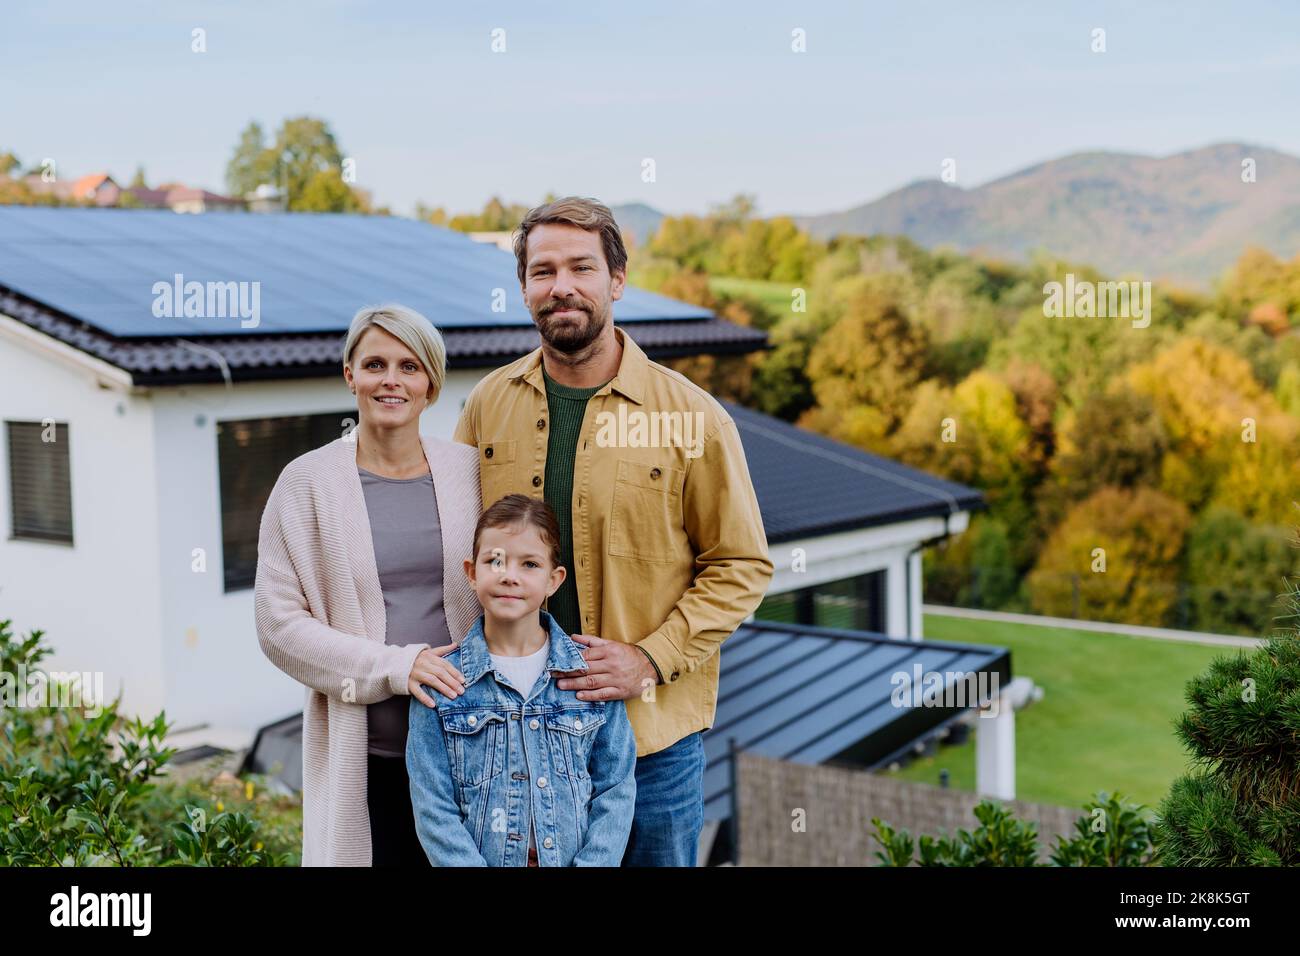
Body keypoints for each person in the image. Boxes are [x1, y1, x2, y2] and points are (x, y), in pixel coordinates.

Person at [452, 196, 774, 866]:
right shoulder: (486, 406)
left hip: (649, 748)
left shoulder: (693, 416)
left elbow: (741, 566)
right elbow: (459, 551)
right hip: (516, 739)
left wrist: (650, 659)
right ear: (523, 288)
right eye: (542, 271)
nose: (561, 286)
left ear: (617, 280)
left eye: (581, 267)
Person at [254, 303, 479, 866]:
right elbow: (279, 626)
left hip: (475, 754)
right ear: (350, 373)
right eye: (375, 364)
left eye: (409, 366)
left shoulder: (472, 472)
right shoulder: (306, 483)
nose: (391, 381)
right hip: (368, 757)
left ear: (431, 382)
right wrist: (397, 667)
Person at [407, 493, 637, 866]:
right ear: (472, 571)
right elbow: (433, 807)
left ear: (554, 579)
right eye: (495, 561)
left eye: (529, 564)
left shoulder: (590, 674)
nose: (509, 575)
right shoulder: (442, 681)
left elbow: (615, 788)